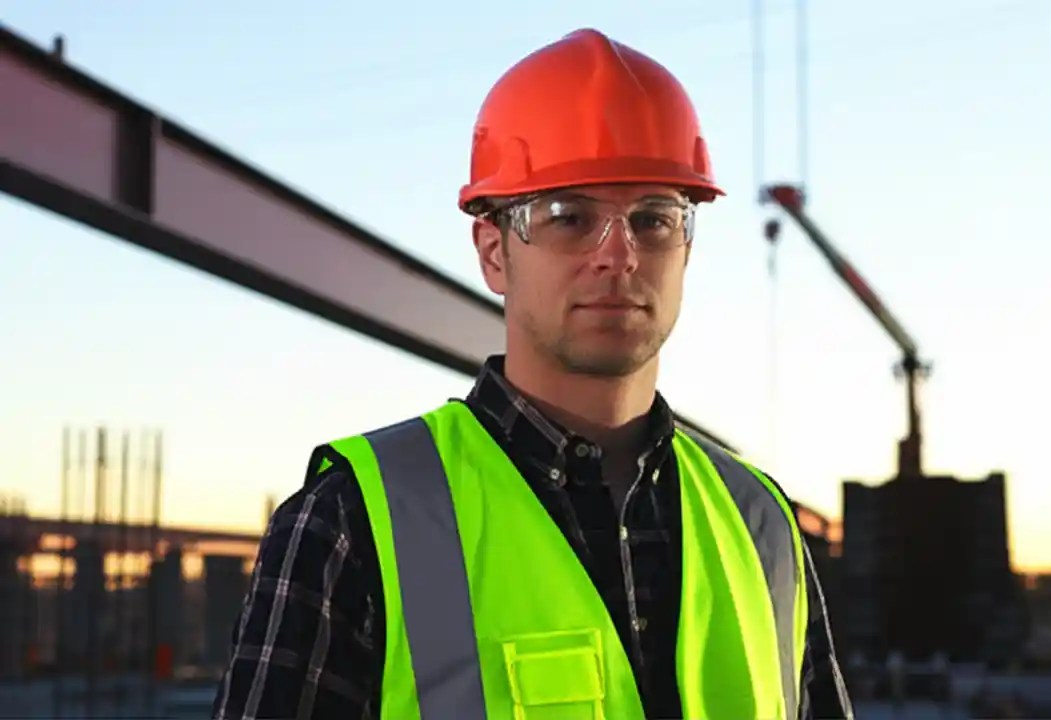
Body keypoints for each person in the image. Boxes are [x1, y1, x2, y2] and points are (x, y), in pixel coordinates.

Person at [213, 27, 854, 720]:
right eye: (568, 217)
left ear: (686, 250)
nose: (619, 256)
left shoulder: (761, 524)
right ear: (494, 253)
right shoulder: (351, 523)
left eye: (654, 219)